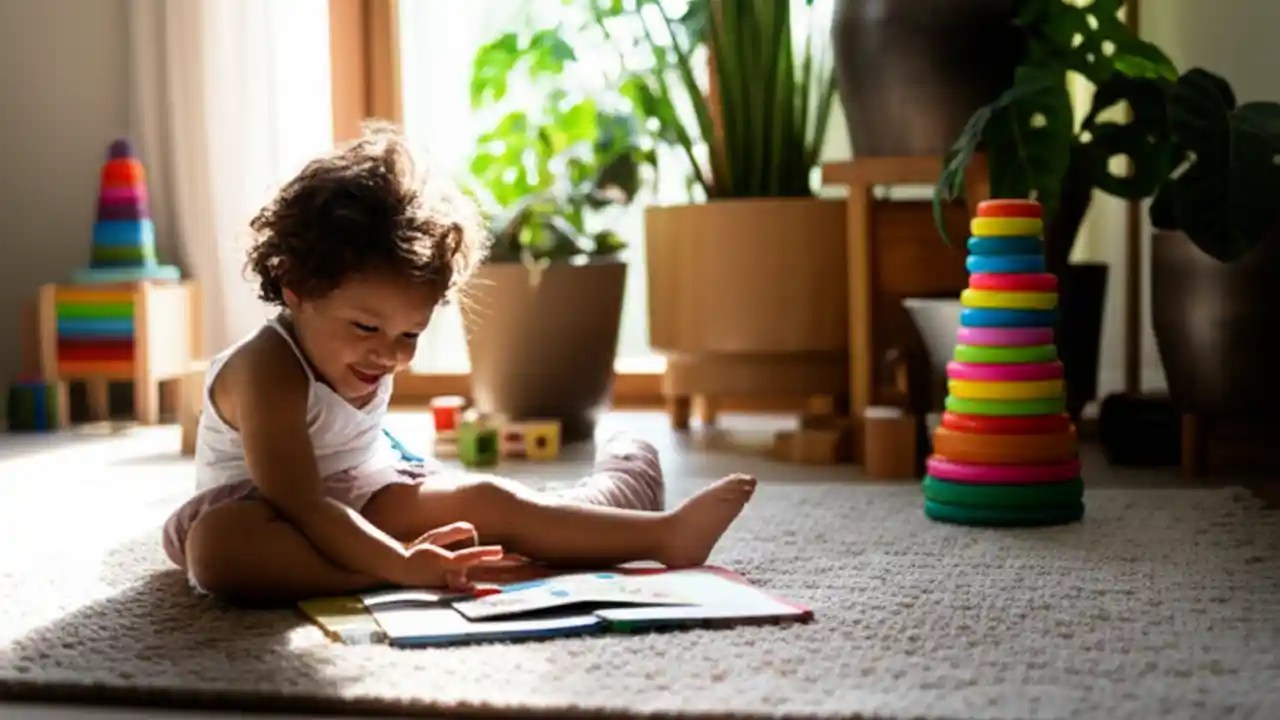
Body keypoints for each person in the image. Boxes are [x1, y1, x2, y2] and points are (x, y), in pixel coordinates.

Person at [160, 124, 756, 605]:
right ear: (295, 286)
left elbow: (349, 487)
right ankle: (379, 578)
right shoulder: (267, 370)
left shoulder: (368, 347)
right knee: (218, 554)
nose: (390, 353)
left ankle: (663, 535)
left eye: (410, 333)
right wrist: (399, 564)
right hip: (267, 509)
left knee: (491, 500)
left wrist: (402, 534)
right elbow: (300, 502)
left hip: (364, 493)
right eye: (367, 328)